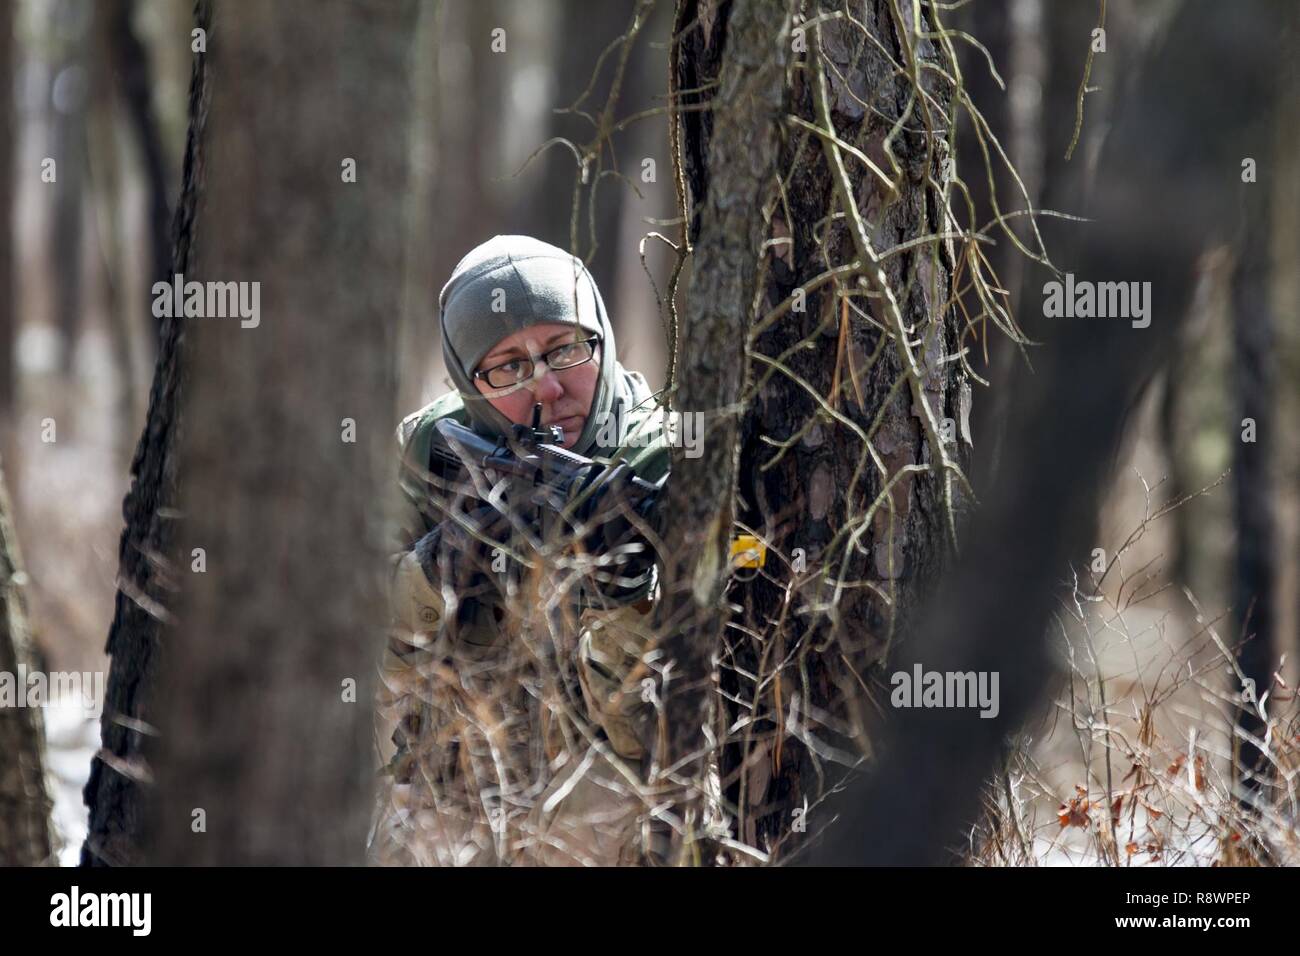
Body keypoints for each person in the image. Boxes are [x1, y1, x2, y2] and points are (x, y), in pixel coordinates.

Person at [374, 236, 670, 866]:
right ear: (468, 382)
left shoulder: (667, 467)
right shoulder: (434, 454)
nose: (548, 389)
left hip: (620, 835)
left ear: (602, 340)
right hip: (455, 829)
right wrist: (440, 568)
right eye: (508, 367)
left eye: (565, 348)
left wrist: (624, 594)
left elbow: (674, 741)